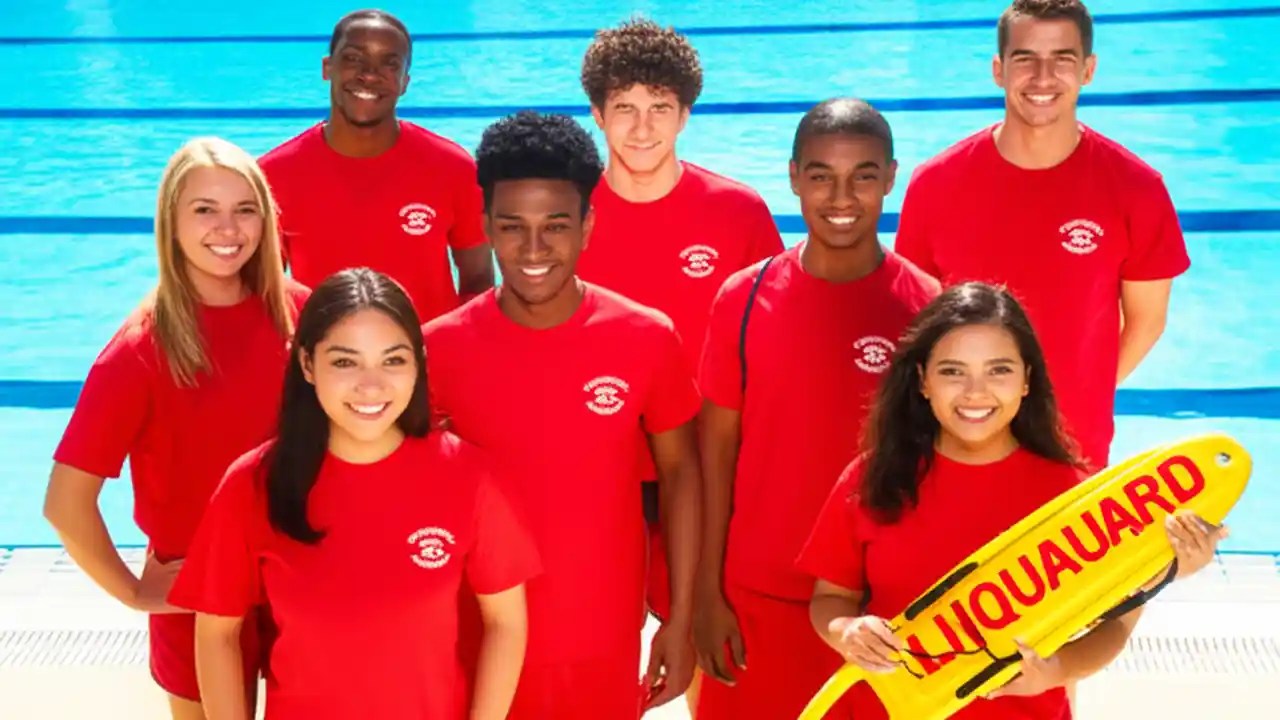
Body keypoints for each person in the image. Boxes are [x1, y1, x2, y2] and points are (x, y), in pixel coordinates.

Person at [797, 281, 1227, 719]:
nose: (975, 392)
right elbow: (830, 597)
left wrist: (1057, 669)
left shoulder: (1072, 493)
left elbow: (1115, 624)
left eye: (999, 370)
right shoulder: (876, 478)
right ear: (922, 381)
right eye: (952, 371)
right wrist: (848, 630)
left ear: (1027, 381)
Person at [422, 110, 702, 719]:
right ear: (486, 228)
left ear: (588, 225)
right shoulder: (436, 350)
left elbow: (681, 474)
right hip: (476, 641)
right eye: (511, 226)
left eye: (555, 226)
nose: (533, 249)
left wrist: (680, 620)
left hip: (600, 640)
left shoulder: (646, 337)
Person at [168, 268, 539, 719]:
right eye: (345, 362)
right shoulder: (253, 484)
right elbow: (217, 633)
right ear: (307, 364)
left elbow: (506, 622)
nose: (371, 385)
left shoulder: (469, 477)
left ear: (419, 362)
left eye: (393, 360)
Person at [43, 136, 309, 719]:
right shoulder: (142, 349)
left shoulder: (302, 314)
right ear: (172, 221)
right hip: (199, 594)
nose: (228, 228)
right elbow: (66, 502)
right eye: (205, 209)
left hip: (301, 586)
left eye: (245, 209)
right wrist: (135, 593)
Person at [693, 98, 941, 720]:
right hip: (758, 598)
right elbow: (714, 457)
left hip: (883, 611)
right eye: (822, 175)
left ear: (890, 178)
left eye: (863, 175)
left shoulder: (927, 307)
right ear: (794, 176)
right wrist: (705, 594)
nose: (842, 196)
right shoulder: (742, 299)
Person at [893, 0, 1190, 472]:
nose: (1043, 77)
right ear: (999, 69)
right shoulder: (936, 184)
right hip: (956, 445)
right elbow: (913, 320)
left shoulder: (1136, 188)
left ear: (1088, 70)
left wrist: (1080, 396)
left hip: (1073, 448)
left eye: (1063, 60)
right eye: (1026, 58)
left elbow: (1147, 320)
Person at [576, 18, 785, 660]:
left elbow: (773, 351)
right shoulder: (563, 218)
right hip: (600, 477)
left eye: (659, 108)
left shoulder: (737, 212)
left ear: (685, 114)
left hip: (705, 472)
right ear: (597, 115)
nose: (642, 127)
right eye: (625, 109)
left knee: (701, 644)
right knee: (595, 651)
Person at [259, 9, 494, 325]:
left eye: (389, 63)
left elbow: (478, 279)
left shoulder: (452, 167)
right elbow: (265, 290)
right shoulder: (273, 175)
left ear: (404, 82)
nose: (369, 74)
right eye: (354, 59)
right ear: (328, 67)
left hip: (429, 363)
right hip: (325, 365)